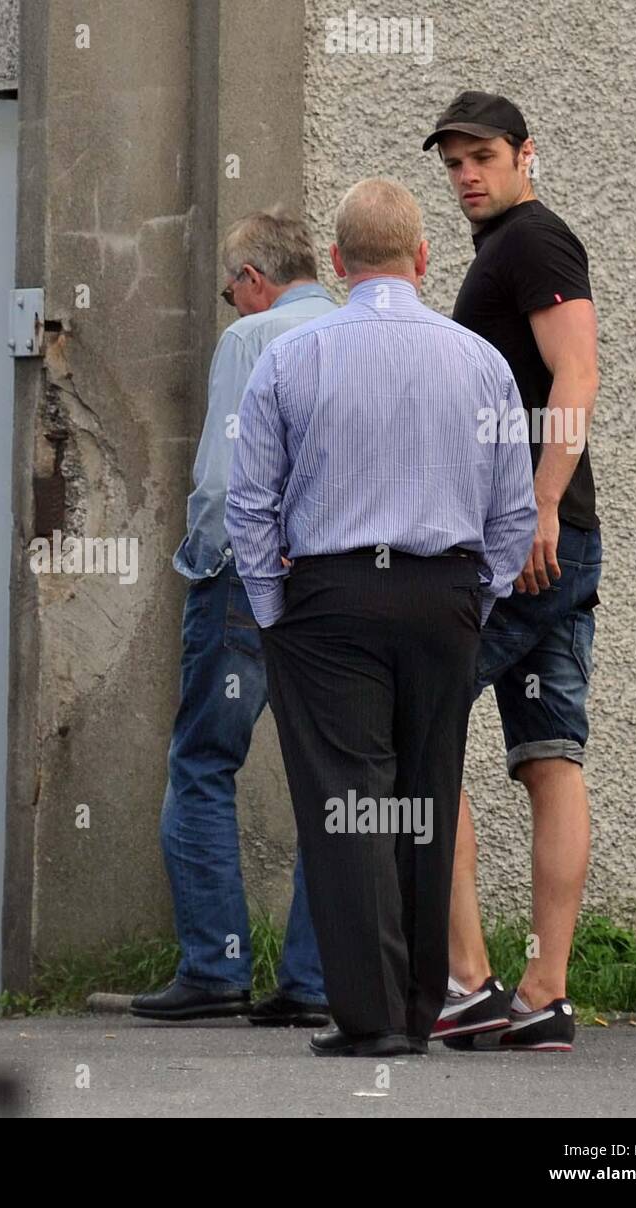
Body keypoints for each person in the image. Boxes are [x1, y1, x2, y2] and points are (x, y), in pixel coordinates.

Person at [226, 179, 536, 1056]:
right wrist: (478, 598)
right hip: (443, 598)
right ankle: (417, 1006)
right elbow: (513, 512)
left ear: (336, 263)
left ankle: (370, 1021)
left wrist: (272, 609)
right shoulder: (481, 361)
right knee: (425, 798)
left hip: (330, 599)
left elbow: (250, 504)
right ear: (425, 257)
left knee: (349, 803)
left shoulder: (292, 357)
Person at [423, 92, 601, 1052]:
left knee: (424, 732)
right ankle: (545, 995)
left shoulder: (534, 242)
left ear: (527, 153)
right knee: (548, 758)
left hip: (526, 543)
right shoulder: (511, 247)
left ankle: (469, 979)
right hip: (553, 541)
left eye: (482, 156)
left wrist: (536, 503)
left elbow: (578, 373)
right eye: (452, 164)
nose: (466, 177)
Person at [132, 208, 334, 1025]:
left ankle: (215, 969)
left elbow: (222, 479)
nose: (232, 303)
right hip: (338, 587)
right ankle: (316, 982)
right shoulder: (356, 330)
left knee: (203, 762)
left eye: (230, 289)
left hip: (249, 583)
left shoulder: (253, 340)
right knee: (331, 781)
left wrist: (204, 563)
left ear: (254, 279)